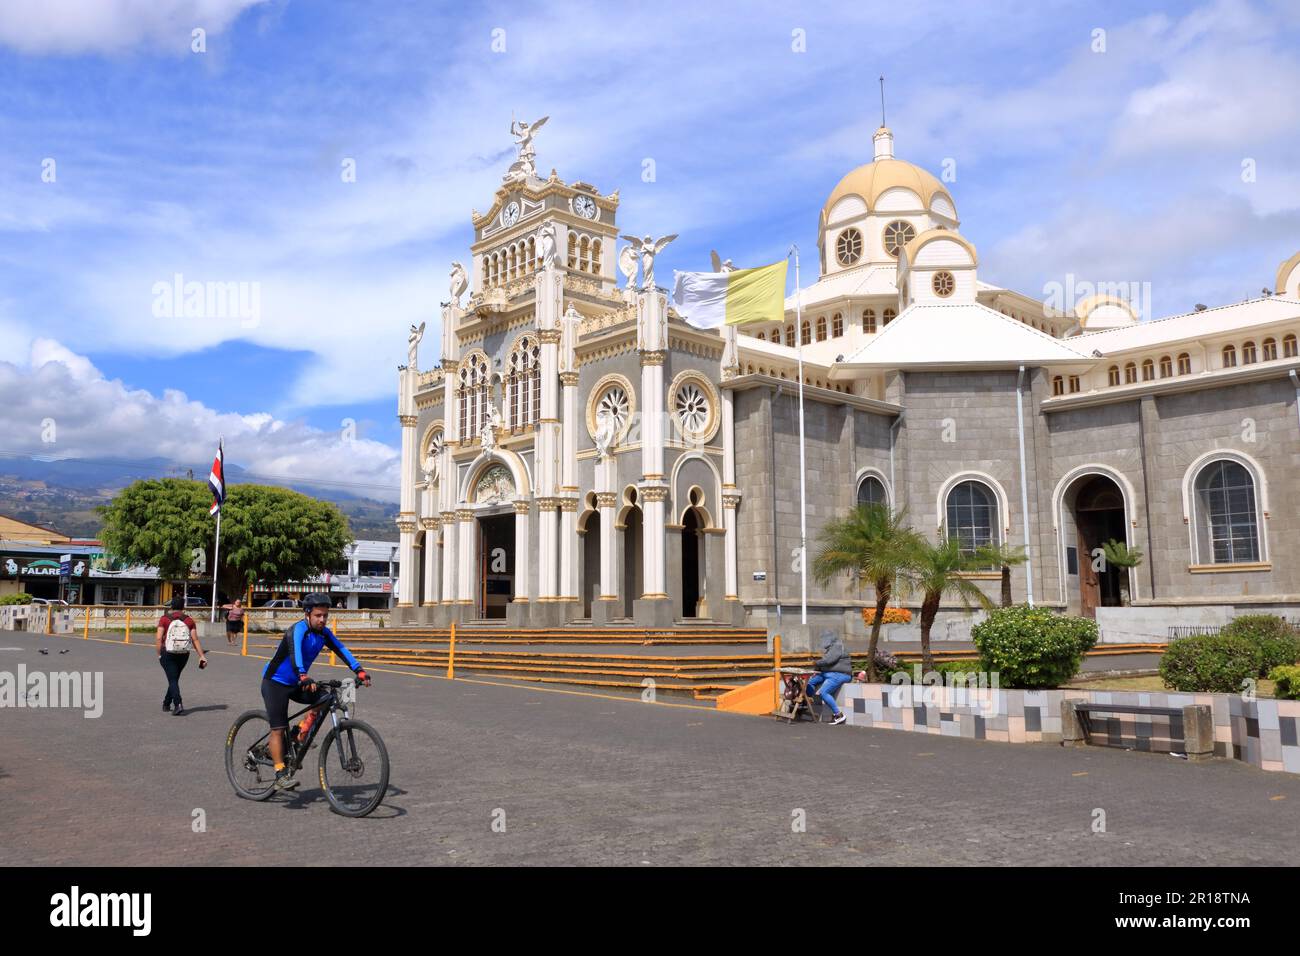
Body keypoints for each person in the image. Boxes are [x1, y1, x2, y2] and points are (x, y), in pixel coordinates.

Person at [261, 593, 371, 790]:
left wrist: (359, 670)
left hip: (297, 682)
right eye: (318, 615)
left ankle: (299, 734)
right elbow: (296, 655)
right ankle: (280, 773)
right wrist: (303, 675)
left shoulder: (323, 633)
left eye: (325, 616)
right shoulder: (298, 630)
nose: (322, 620)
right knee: (278, 728)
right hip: (275, 682)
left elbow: (341, 649)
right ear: (307, 614)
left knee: (324, 698)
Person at [156, 596, 207, 716]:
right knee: (174, 678)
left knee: (172, 679)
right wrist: (201, 656)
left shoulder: (164, 619)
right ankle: (166, 703)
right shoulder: (189, 620)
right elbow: (195, 639)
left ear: (171, 606)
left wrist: (159, 653)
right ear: (183, 607)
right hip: (184, 653)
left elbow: (159, 638)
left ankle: (178, 704)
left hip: (167, 652)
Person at [806, 629, 850, 725]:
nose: (822, 642)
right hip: (831, 673)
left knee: (823, 692)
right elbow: (825, 662)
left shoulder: (837, 646)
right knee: (811, 681)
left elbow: (828, 661)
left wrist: (815, 663)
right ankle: (807, 702)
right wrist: (816, 669)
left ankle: (838, 715)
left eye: (823, 639)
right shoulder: (831, 648)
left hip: (841, 674)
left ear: (829, 639)